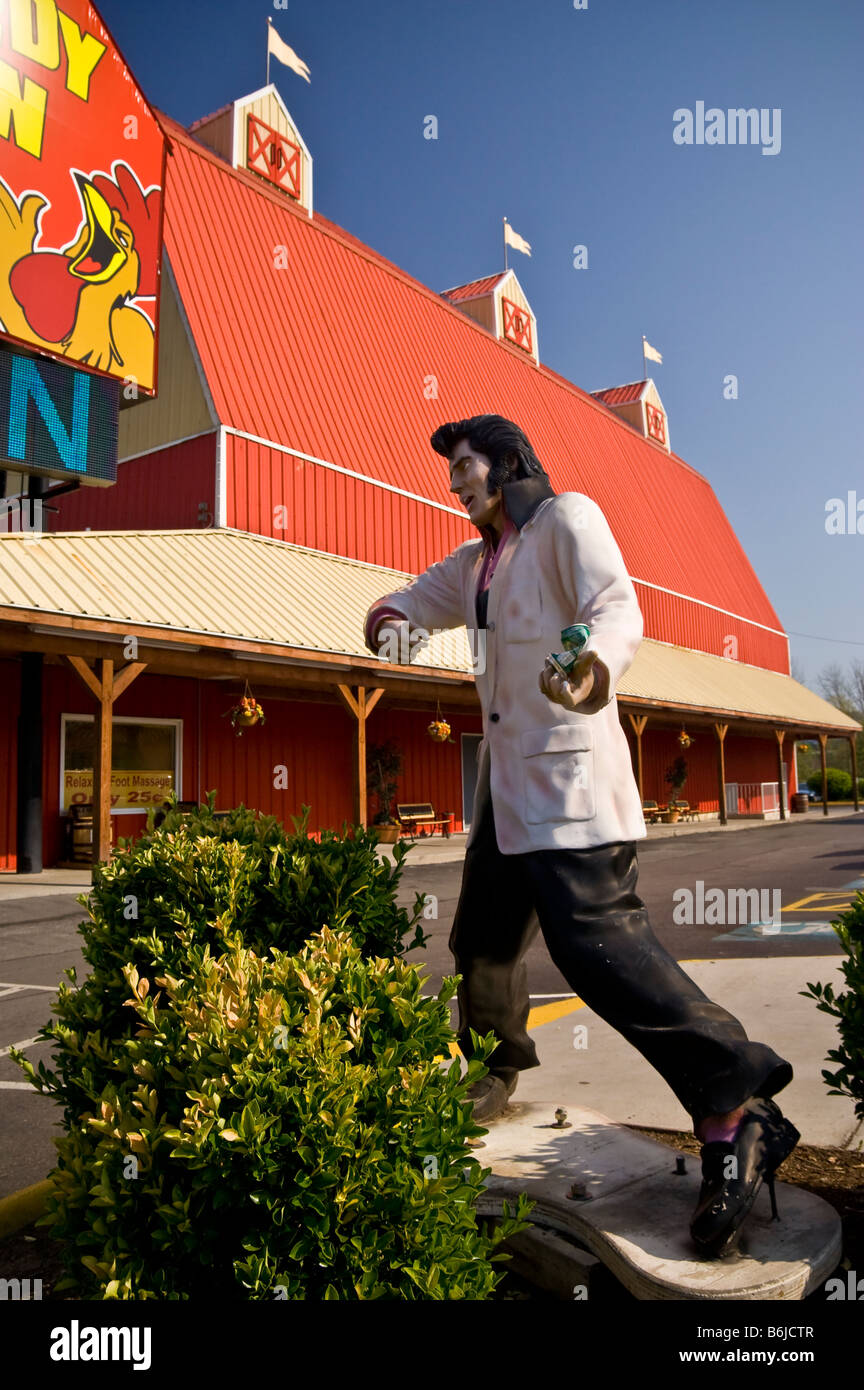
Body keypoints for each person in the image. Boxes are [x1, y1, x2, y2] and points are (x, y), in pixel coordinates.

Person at [363, 414, 799, 1258]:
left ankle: (734, 1112)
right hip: (509, 794)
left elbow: (616, 608)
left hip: (570, 787)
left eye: (465, 466)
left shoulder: (567, 522)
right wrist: (391, 621)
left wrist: (590, 666)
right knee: (483, 942)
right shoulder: (476, 563)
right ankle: (493, 1073)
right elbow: (417, 603)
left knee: (601, 954)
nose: (455, 483)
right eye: (451, 472)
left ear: (508, 463)